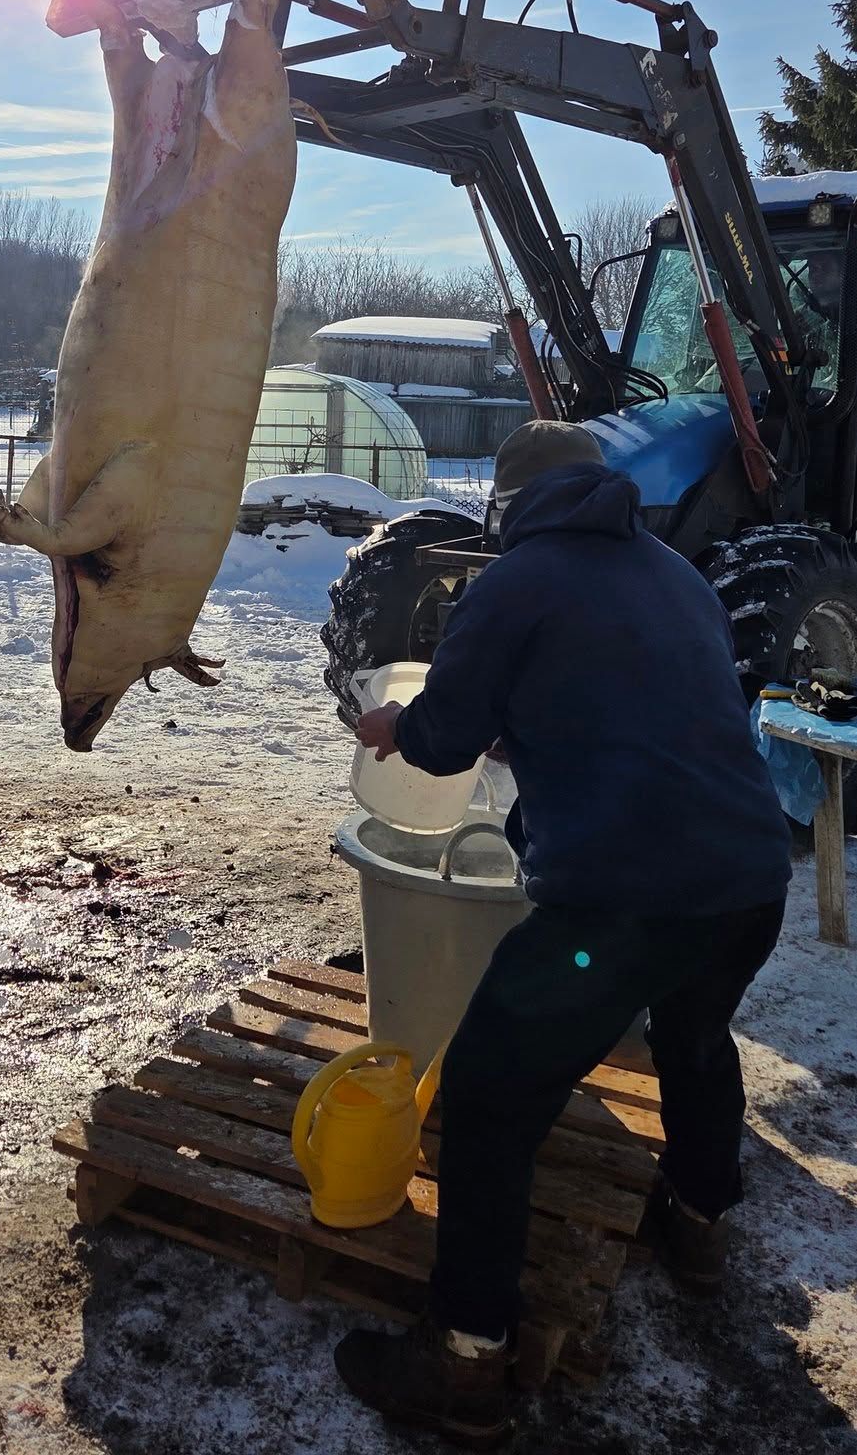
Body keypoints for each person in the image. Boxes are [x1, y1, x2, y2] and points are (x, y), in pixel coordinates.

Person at [337, 419, 792, 1447]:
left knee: (490, 1093)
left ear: (508, 503)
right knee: (692, 1037)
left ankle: (462, 1360)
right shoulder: (675, 573)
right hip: (746, 879)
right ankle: (699, 1223)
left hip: (623, 902)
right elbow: (651, 709)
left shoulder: (515, 578)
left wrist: (392, 728)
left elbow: (444, 737)